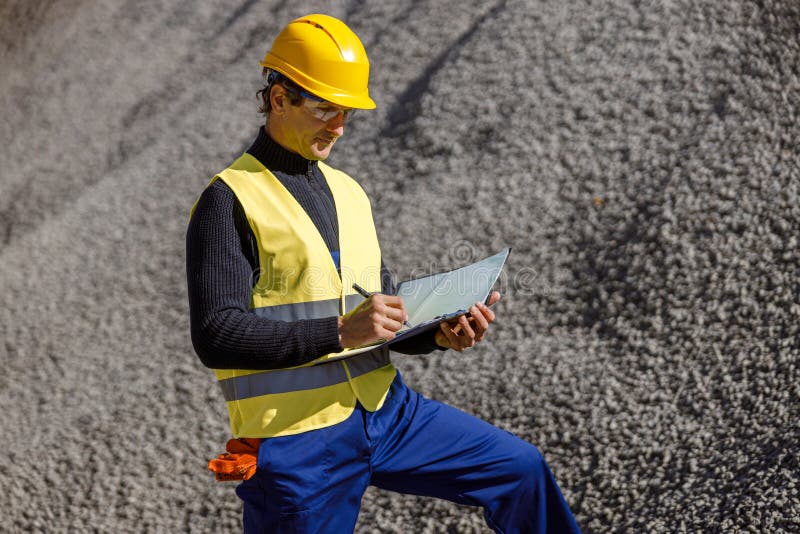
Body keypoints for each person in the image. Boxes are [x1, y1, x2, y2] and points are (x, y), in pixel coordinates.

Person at [186, 13, 580, 533]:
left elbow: (384, 314)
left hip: (388, 411)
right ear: (279, 98)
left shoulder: (349, 193)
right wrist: (340, 331)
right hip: (297, 442)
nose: (340, 126)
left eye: (347, 112)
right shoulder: (228, 199)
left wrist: (437, 334)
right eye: (326, 108)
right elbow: (216, 335)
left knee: (520, 470)